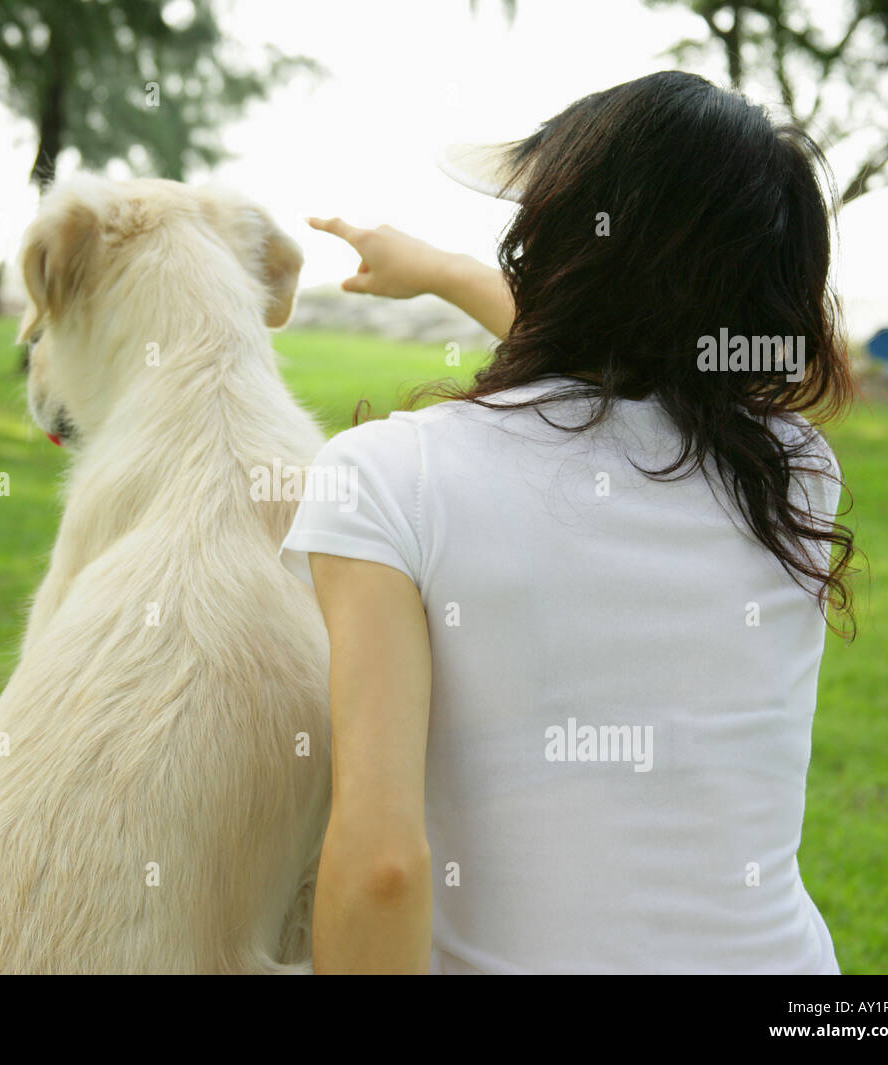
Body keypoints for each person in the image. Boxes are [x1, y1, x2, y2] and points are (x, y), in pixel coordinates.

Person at [281, 70, 856, 975]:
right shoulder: (792, 473)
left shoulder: (386, 480)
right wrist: (445, 273)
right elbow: (641, 354)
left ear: (551, 242)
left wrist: (449, 274)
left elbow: (383, 867)